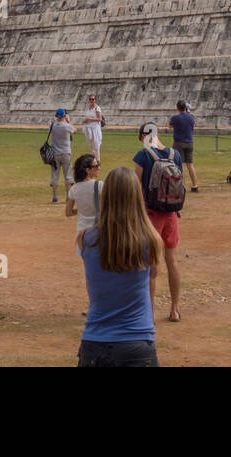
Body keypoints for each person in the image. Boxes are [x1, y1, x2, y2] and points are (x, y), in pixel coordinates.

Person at [76, 166, 162, 367]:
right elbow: (153, 275)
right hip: (137, 341)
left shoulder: (86, 239)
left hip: (95, 343)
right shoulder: (151, 240)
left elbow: (92, 284)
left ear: (106, 197)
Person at [133, 122, 184, 322]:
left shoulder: (143, 156)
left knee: (151, 265)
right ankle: (175, 309)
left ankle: (150, 311)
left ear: (143, 136)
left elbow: (136, 186)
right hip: (171, 214)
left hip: (151, 215)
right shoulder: (175, 155)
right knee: (172, 261)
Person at [66, 153, 103, 248]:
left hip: (82, 233)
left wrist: (81, 210)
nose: (99, 168)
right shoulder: (100, 185)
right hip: (98, 232)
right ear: (88, 170)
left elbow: (68, 213)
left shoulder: (74, 188)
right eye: (96, 165)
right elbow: (105, 210)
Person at [169, 101, 198, 193]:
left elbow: (170, 126)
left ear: (177, 108)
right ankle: (195, 185)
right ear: (186, 107)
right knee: (190, 164)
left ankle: (182, 186)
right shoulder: (191, 117)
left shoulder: (175, 118)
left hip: (179, 143)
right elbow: (193, 126)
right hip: (189, 142)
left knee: (180, 165)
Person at [48, 109, 76, 204]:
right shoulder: (67, 126)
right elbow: (75, 131)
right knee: (68, 175)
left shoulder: (52, 126)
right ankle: (68, 196)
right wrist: (68, 121)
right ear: (64, 116)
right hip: (66, 153)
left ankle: (54, 196)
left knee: (54, 175)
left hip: (55, 153)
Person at [81, 93, 103, 162]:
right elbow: (87, 118)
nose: (91, 100)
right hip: (88, 128)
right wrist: (85, 121)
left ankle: (98, 160)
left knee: (96, 145)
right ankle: (94, 160)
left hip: (95, 129)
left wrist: (89, 119)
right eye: (90, 99)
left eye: (93, 99)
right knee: (91, 145)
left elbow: (100, 119)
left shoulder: (97, 108)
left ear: (95, 100)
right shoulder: (88, 108)